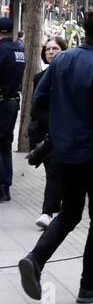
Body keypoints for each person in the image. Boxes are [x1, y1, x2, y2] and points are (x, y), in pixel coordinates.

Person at [18, 7, 93, 304]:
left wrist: (62, 126)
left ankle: (35, 259)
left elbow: (39, 101)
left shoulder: (62, 59)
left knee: (69, 213)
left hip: (66, 153)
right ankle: (89, 285)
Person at [30, 37, 66, 229]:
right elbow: (36, 107)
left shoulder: (69, 75)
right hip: (48, 133)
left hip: (67, 131)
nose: (51, 51)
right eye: (48, 49)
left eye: (56, 48)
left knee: (58, 172)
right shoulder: (39, 77)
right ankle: (48, 211)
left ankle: (51, 210)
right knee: (53, 171)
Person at [0, 16, 26, 201]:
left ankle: (1, 186)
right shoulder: (19, 50)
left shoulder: (2, 50)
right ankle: (6, 185)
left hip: (1, 102)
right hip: (13, 101)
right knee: (6, 144)